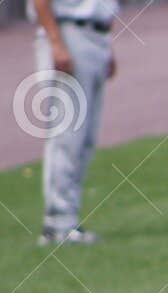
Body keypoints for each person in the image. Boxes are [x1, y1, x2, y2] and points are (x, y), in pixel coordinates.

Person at [31, 1, 119, 245]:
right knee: (67, 136)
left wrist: (107, 47)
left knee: (85, 139)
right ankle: (57, 224)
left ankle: (68, 219)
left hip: (95, 34)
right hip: (68, 33)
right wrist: (57, 44)